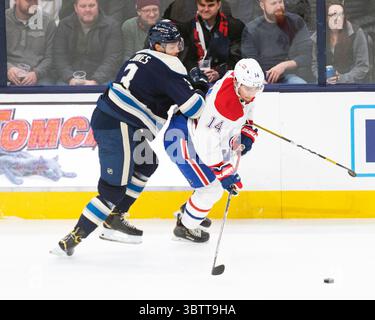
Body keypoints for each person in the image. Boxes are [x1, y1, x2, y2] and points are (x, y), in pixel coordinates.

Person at [51, 20, 206, 256]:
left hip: (114, 120)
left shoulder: (140, 55)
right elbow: (195, 108)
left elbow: (157, 86)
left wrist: (187, 85)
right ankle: (72, 238)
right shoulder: (169, 66)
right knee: (112, 190)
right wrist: (200, 87)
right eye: (171, 44)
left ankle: (115, 217)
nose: (177, 48)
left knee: (147, 162)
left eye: (178, 42)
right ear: (157, 46)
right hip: (120, 125)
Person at [164, 58, 264, 242]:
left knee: (212, 186)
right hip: (184, 140)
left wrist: (246, 132)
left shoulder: (236, 81)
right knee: (212, 189)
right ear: (237, 82)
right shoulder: (223, 106)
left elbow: (246, 110)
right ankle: (184, 227)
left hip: (192, 132)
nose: (252, 93)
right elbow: (206, 141)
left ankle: (190, 212)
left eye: (256, 88)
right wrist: (224, 173)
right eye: (249, 88)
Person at [241, 0, 312, 84]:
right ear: (262, 6)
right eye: (273, 3)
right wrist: (259, 80)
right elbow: (249, 62)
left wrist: (283, 66)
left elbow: (306, 56)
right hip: (261, 78)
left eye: (280, 2)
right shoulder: (252, 29)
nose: (279, 7)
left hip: (290, 76)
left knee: (300, 86)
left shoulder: (296, 22)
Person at [53, 0, 123, 85]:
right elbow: (59, 56)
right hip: (70, 78)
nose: (88, 10)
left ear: (98, 6)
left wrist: (95, 81)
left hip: (103, 78)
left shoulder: (112, 26)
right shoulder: (64, 25)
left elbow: (112, 58)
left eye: (91, 5)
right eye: (83, 6)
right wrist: (70, 78)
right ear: (75, 8)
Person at [176, 0, 244, 84]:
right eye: (202, 5)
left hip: (225, 79)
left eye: (210, 5)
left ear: (219, 5)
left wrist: (219, 72)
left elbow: (237, 58)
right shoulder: (187, 27)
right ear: (197, 4)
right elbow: (186, 58)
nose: (206, 9)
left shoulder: (234, 26)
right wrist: (195, 72)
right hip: (196, 80)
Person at [311, 0, 369, 84]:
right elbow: (315, 65)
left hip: (351, 84)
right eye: (332, 15)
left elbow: (362, 66)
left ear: (344, 16)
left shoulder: (356, 33)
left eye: (340, 14)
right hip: (325, 83)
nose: (337, 18)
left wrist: (342, 79)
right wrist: (323, 77)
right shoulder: (318, 35)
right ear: (326, 18)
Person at [6, 0, 57, 86]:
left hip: (39, 76)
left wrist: (36, 73)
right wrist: (8, 68)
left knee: (46, 91)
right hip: (7, 73)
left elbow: (51, 56)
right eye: (29, 1)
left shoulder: (48, 21)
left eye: (35, 0)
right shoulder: (4, 19)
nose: (33, 4)